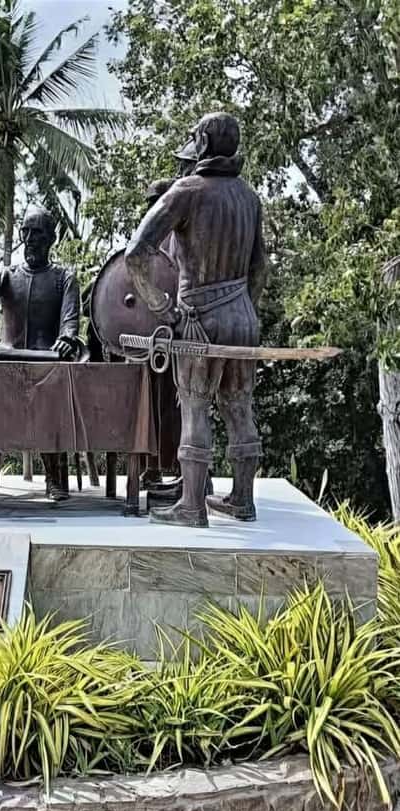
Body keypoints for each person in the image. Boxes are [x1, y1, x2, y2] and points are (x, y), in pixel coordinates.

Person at [125, 112, 267, 527]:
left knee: (195, 407)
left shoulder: (186, 190)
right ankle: (242, 499)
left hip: (198, 318)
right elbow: (260, 268)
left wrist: (163, 307)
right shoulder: (249, 197)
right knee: (240, 407)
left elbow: (136, 253)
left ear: (202, 143)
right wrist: (245, 309)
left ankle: (191, 506)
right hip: (243, 317)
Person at [0, 205, 81, 501]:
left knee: (49, 399)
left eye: (38, 233)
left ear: (51, 238)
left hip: (45, 363)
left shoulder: (64, 278)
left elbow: (70, 322)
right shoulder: (8, 275)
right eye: (26, 232)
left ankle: (54, 477)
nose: (30, 239)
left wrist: (67, 339)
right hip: (5, 361)